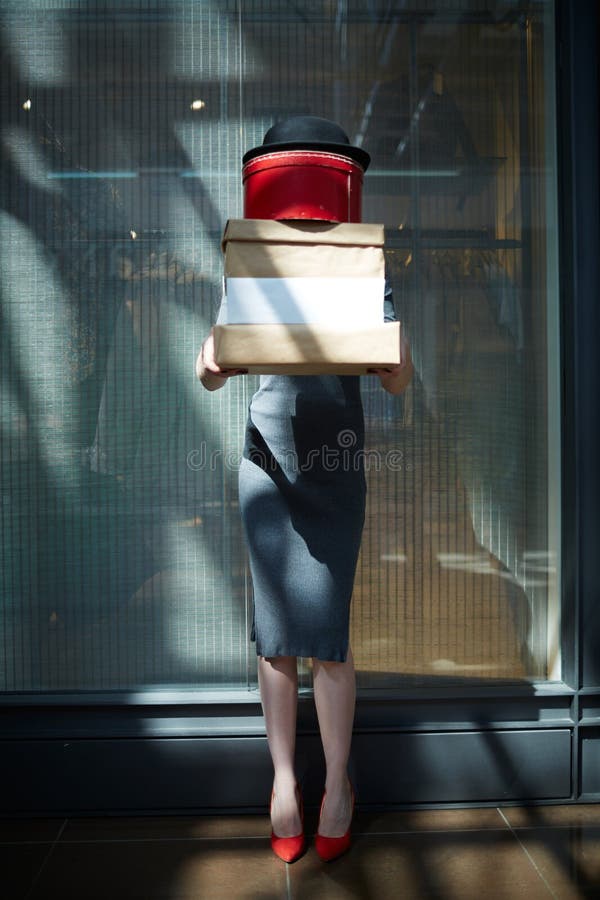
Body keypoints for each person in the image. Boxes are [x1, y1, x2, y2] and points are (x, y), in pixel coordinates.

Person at [197, 117, 413, 863]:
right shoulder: (250, 267)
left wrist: (390, 349)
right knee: (277, 632)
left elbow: (398, 373)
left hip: (333, 458)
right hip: (267, 458)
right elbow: (210, 363)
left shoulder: (362, 268)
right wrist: (218, 359)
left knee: (327, 635)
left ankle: (337, 786)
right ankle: (286, 784)